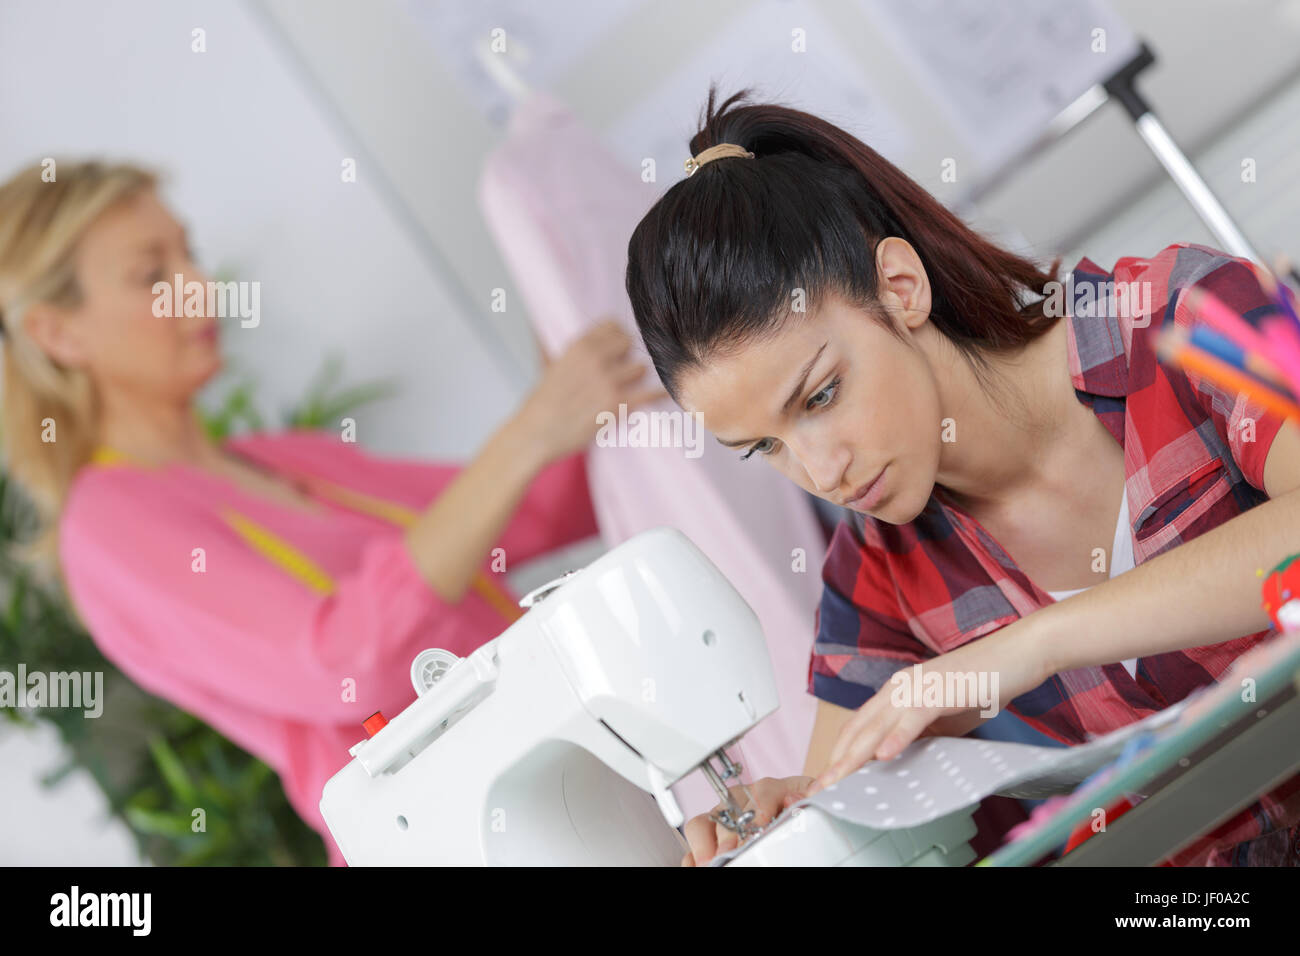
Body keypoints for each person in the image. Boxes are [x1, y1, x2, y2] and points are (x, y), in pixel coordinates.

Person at [625, 89, 1300, 867]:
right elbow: (837, 795)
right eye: (765, 448)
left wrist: (1032, 646)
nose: (822, 472)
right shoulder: (878, 575)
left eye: (821, 396)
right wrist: (785, 821)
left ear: (901, 288)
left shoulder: (1179, 315)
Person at [0, 159, 664, 865]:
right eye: (152, 276)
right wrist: (533, 428)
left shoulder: (283, 459)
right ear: (57, 334)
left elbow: (534, 512)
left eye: (187, 254)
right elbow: (343, 661)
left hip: (577, 790)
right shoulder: (109, 529)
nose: (199, 286)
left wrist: (559, 309)